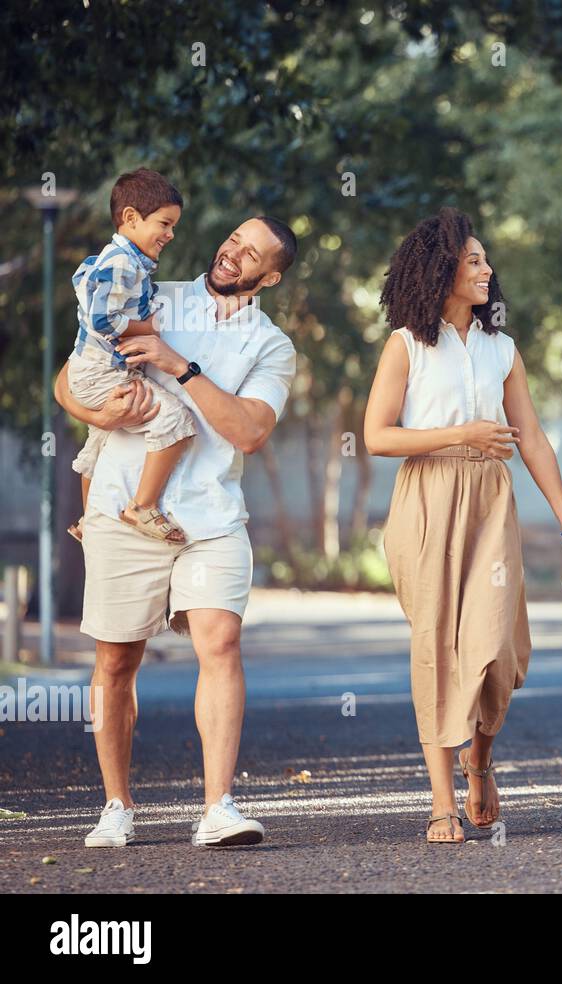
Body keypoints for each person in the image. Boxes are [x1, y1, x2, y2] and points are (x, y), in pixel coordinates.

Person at [54, 215, 299, 848]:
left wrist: (177, 365)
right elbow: (68, 378)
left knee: (219, 642)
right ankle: (116, 806)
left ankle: (218, 806)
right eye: (233, 241)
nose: (232, 254)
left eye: (252, 255)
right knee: (115, 659)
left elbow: (248, 429)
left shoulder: (271, 346)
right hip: (122, 505)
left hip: (210, 516)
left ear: (268, 277)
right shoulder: (154, 296)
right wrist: (95, 409)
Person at [363, 207, 562, 845]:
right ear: (442, 271)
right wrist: (461, 432)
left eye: (487, 259)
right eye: (474, 260)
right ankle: (441, 804)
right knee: (436, 648)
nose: (488, 269)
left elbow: (534, 441)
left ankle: (480, 760)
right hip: (428, 498)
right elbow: (377, 435)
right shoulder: (406, 344)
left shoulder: (502, 348)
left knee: (500, 651)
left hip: (492, 501)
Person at [67, 168, 195, 544]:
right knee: (175, 420)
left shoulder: (123, 260)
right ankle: (142, 505)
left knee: (100, 439)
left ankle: (88, 521)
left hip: (93, 372)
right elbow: (102, 318)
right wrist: (149, 328)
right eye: (165, 224)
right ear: (130, 218)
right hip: (101, 373)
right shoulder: (121, 262)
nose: (171, 234)